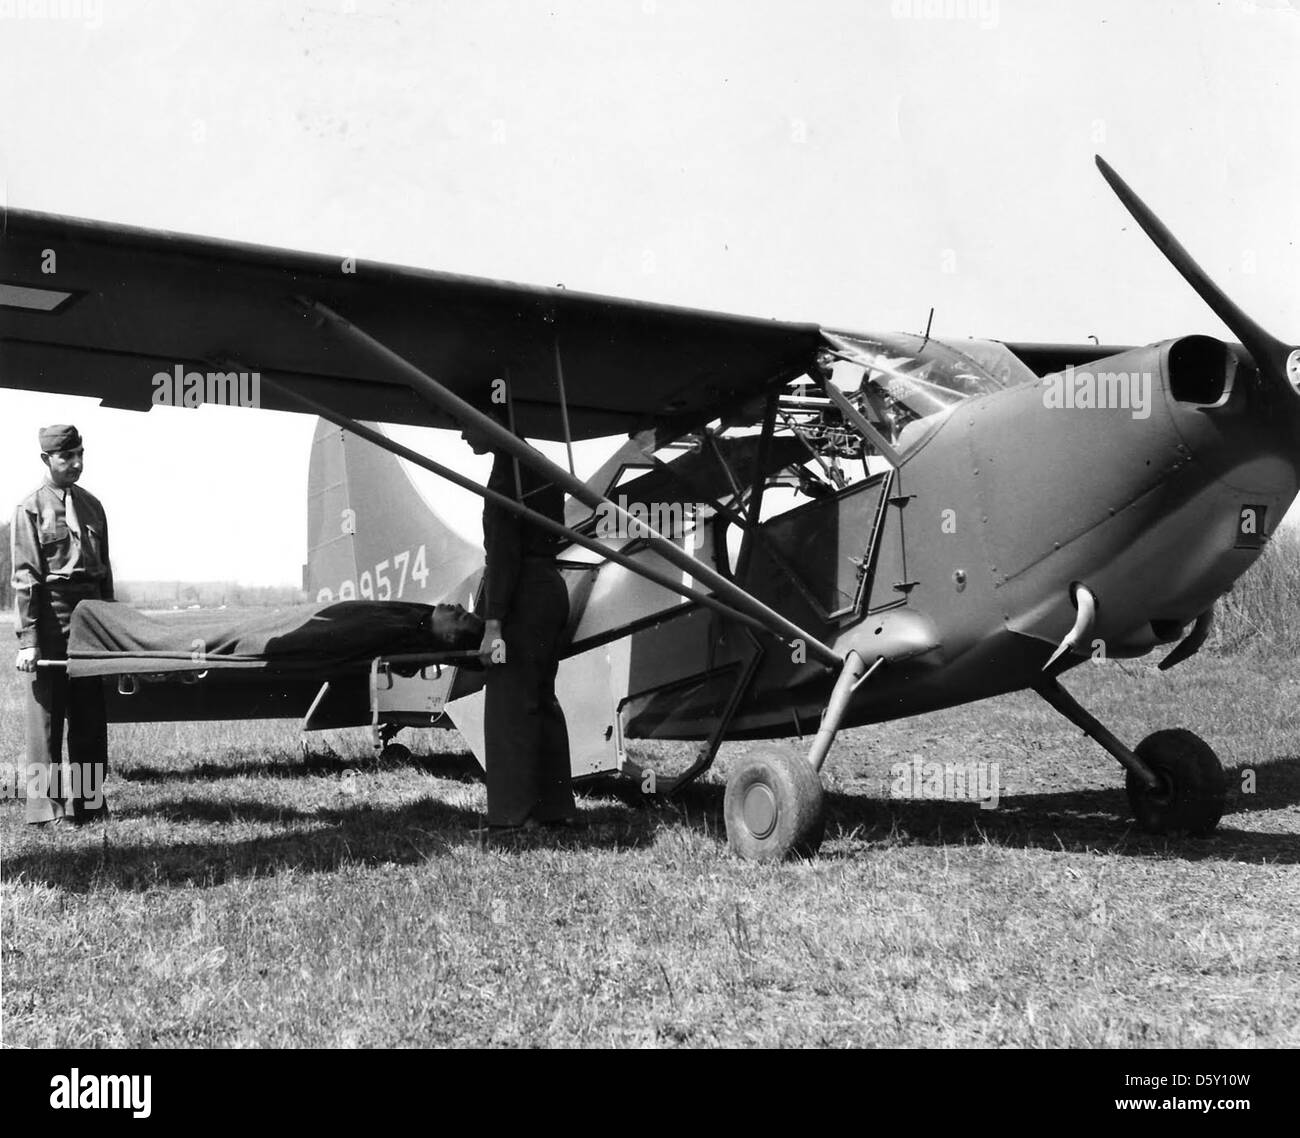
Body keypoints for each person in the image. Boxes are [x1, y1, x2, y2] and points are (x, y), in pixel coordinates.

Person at [462, 409, 577, 831]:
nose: (460, 435)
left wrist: (493, 623)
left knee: (510, 703)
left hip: (522, 595)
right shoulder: (537, 464)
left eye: (465, 422)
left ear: (488, 419)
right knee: (541, 699)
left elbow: (504, 554)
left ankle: (511, 817)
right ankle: (555, 809)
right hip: (550, 588)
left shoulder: (505, 475)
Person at [12, 425, 114, 826]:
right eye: (65, 457)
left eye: (79, 455)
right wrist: (29, 640)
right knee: (47, 718)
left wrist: (110, 626)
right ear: (46, 460)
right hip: (51, 615)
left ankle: (90, 805)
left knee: (90, 714)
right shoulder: (30, 509)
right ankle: (46, 810)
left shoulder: (93, 506)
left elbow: (105, 575)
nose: (75, 463)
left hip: (89, 616)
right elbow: (25, 579)